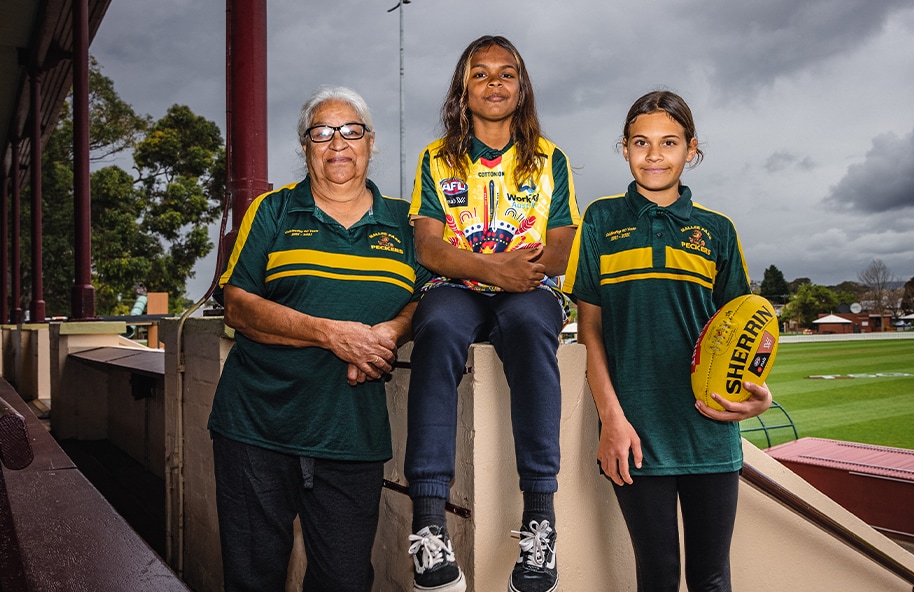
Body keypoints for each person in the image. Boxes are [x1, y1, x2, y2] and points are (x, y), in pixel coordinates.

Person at [207, 86, 430, 592]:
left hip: (351, 435)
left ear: (371, 143)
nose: (338, 144)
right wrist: (332, 335)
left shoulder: (405, 222)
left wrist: (391, 332)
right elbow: (238, 305)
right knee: (252, 578)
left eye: (351, 132)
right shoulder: (274, 211)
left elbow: (426, 298)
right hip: (256, 426)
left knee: (346, 580)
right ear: (305, 146)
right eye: (322, 133)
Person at [564, 90, 773, 592]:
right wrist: (612, 419)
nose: (654, 154)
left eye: (669, 142)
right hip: (634, 433)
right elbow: (588, 330)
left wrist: (754, 394)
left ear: (691, 150)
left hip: (709, 429)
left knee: (712, 578)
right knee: (656, 577)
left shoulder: (718, 231)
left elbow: (740, 328)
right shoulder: (600, 220)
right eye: (641, 142)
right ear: (624, 148)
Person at [404, 35, 579, 592]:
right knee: (435, 327)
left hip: (526, 287)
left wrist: (513, 273)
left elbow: (560, 246)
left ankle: (540, 519)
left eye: (507, 73)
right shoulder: (437, 157)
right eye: (481, 74)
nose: (495, 82)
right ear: (463, 88)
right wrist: (487, 267)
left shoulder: (551, 158)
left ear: (522, 87)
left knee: (530, 327)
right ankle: (430, 521)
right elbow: (428, 248)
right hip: (456, 287)